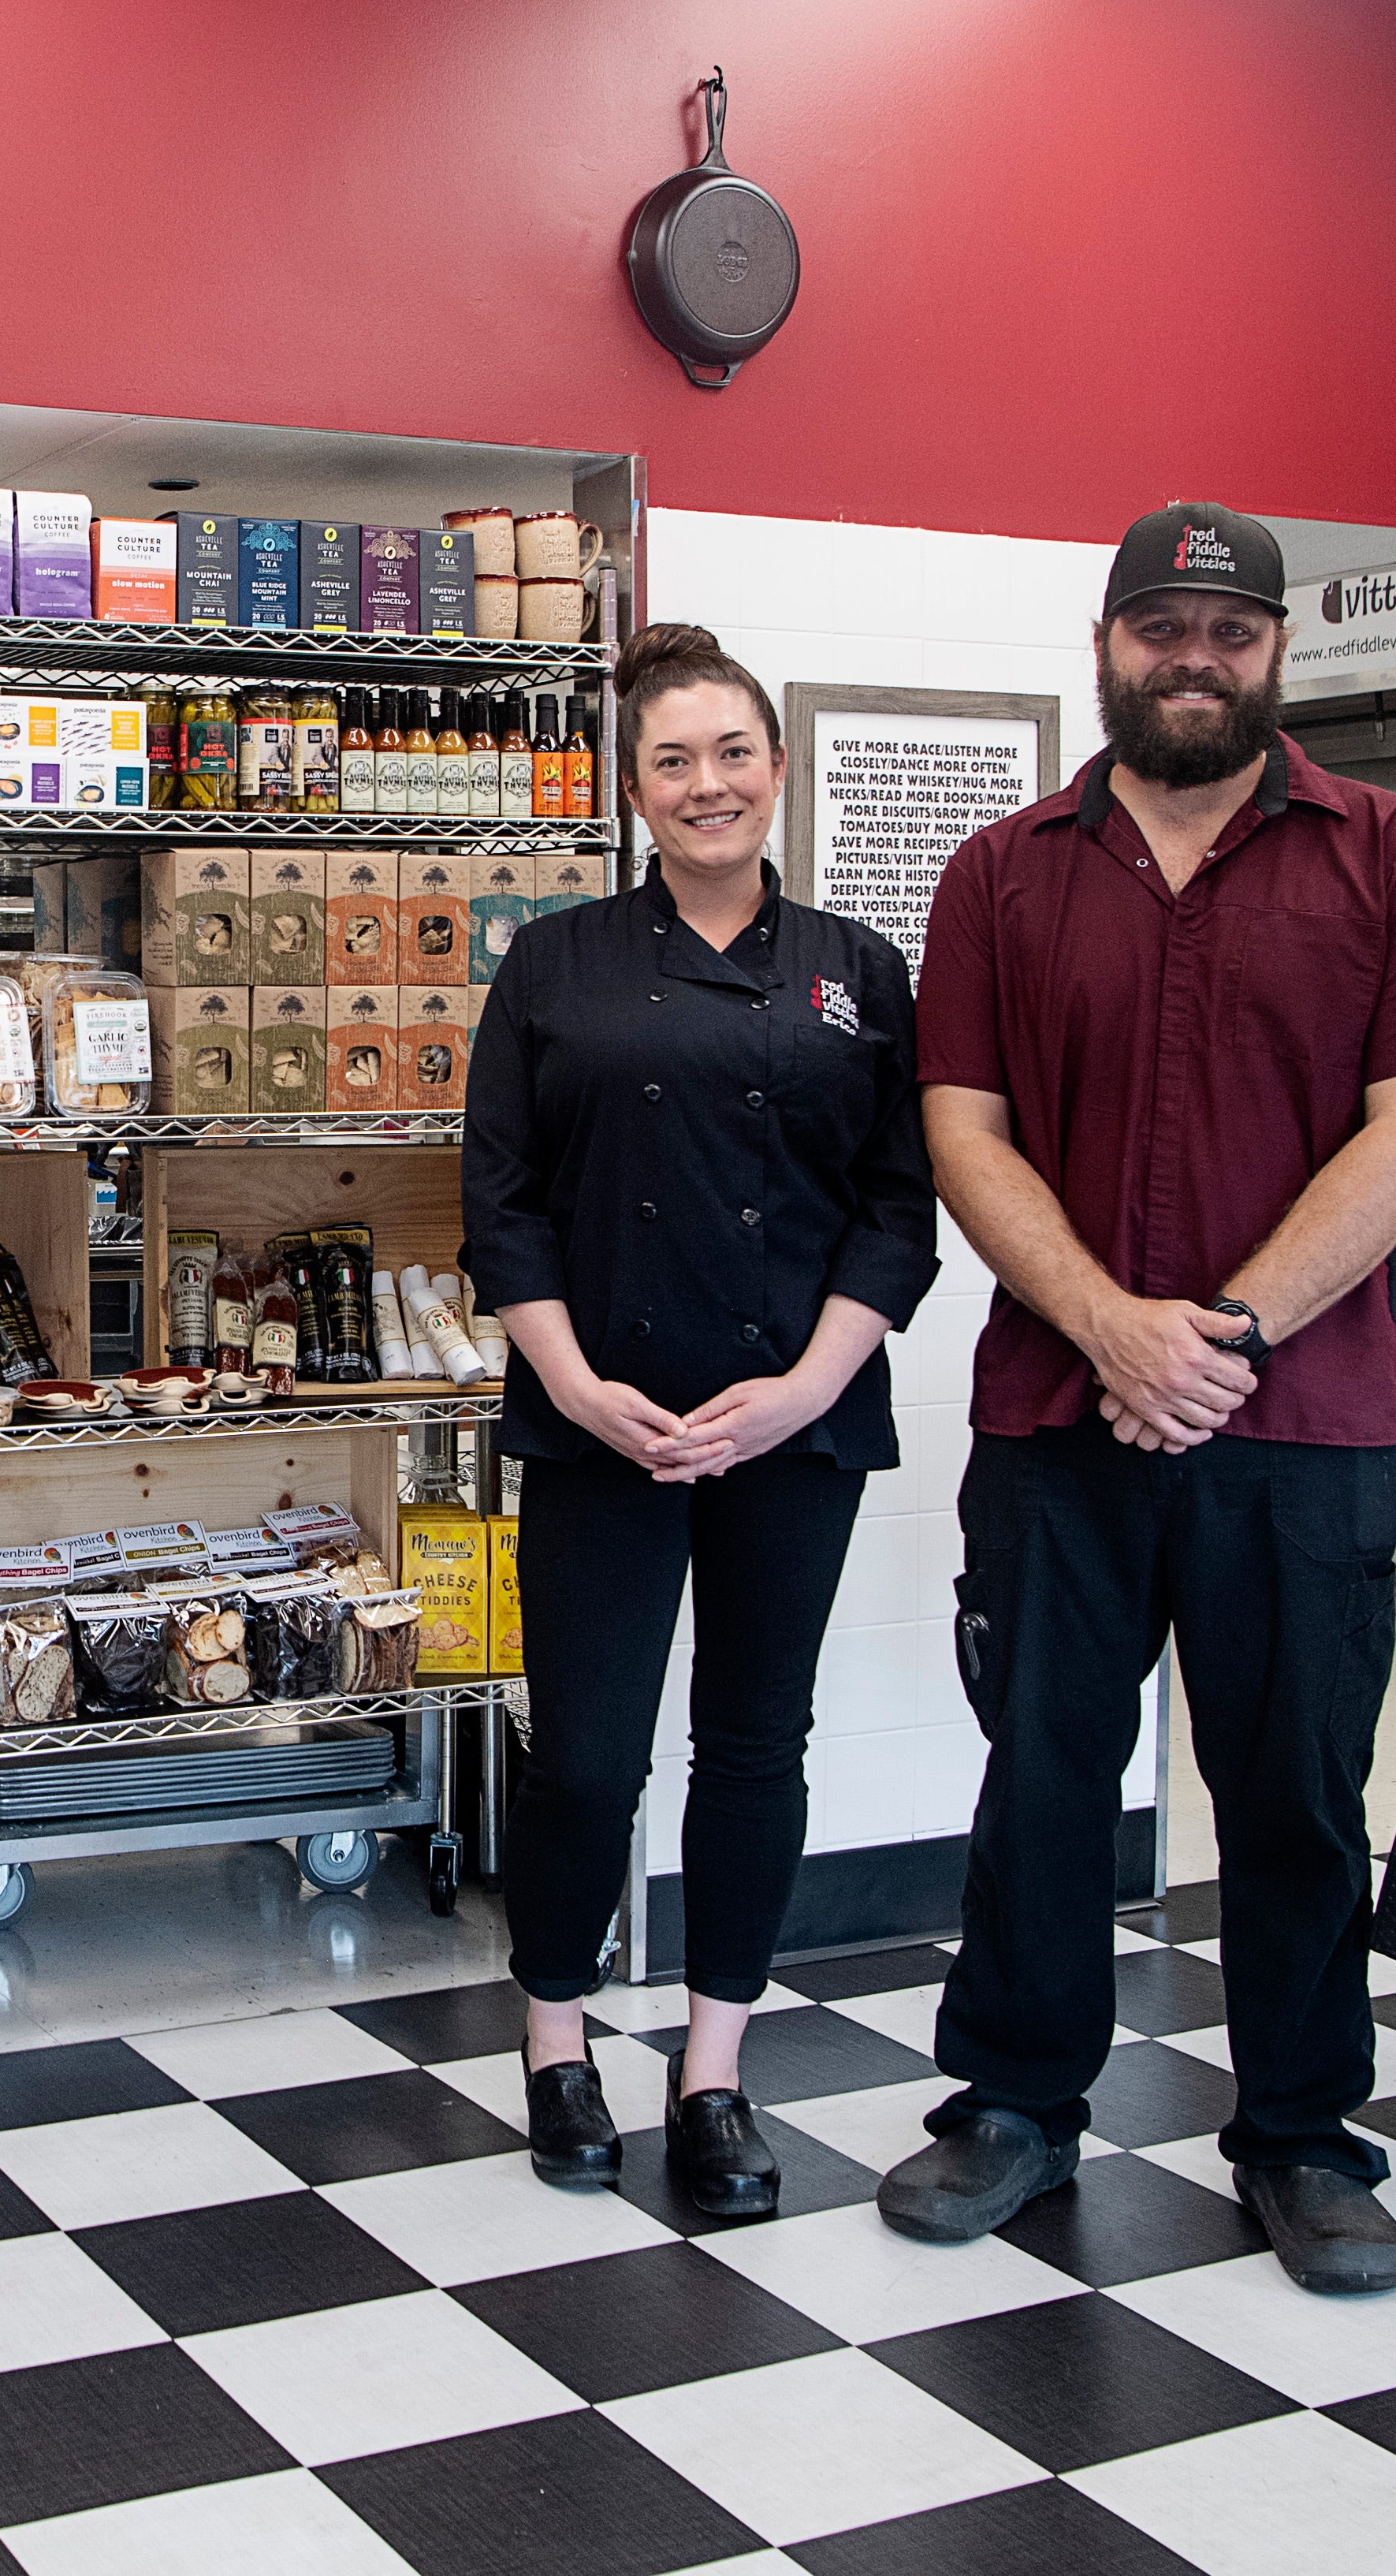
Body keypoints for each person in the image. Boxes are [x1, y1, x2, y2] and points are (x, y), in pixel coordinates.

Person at [880, 503, 1396, 2292]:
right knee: (1045, 1773)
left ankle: (1303, 2134)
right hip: (1056, 1421)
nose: (1192, 656)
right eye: (1160, 624)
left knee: (1296, 1790)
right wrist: (1107, 1330)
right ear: (1105, 644)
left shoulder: (1392, 853)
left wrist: (1214, 1335)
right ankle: (1009, 2100)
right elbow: (959, 1130)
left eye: (1226, 629)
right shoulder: (1000, 872)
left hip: (1295, 1426)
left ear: (1276, 649)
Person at [463, 624, 939, 2218]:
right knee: (586, 1757)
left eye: (730, 751)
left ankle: (714, 2066)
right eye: (670, 758)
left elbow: (893, 1207)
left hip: (787, 1427)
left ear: (774, 766)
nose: (705, 782)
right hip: (596, 1422)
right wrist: (577, 1382)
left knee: (752, 1747)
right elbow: (502, 1202)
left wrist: (807, 1381)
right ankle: (551, 2039)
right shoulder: (553, 963)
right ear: (633, 788)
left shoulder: (858, 972)